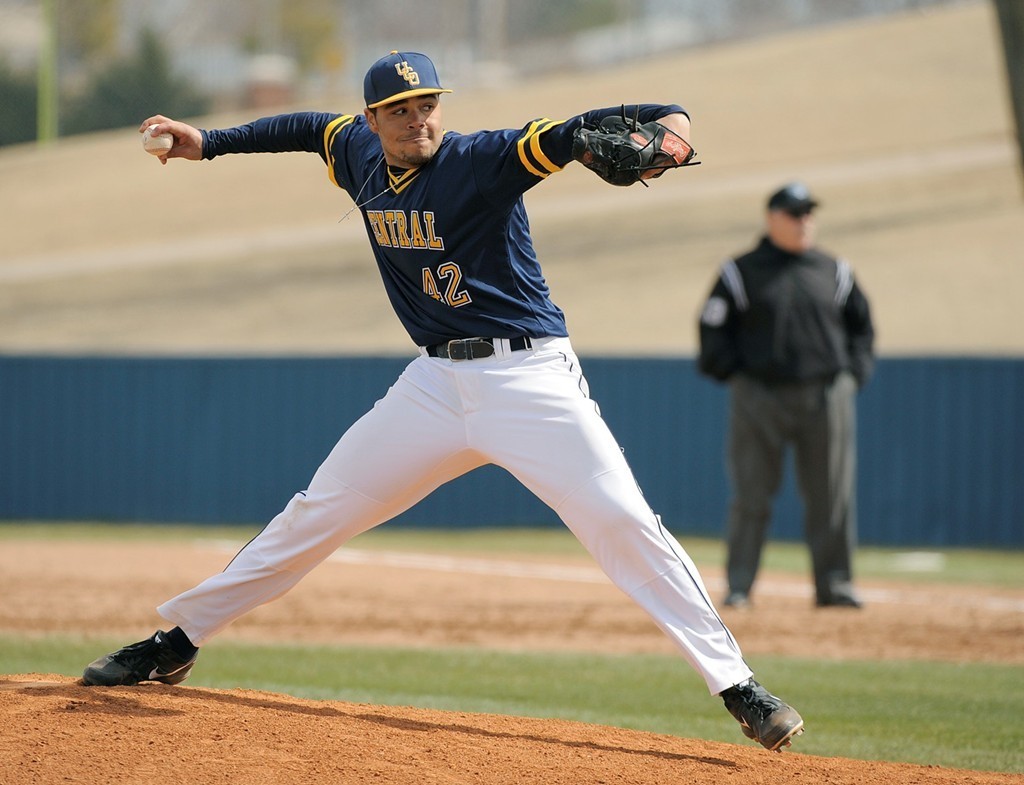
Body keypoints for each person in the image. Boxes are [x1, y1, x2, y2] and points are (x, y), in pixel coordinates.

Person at [81, 51, 804, 752]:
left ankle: (738, 686)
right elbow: (303, 127)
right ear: (372, 119)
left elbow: (575, 130)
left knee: (623, 521)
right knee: (316, 511)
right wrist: (209, 142)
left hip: (528, 378)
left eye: (427, 104)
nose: (417, 119)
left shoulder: (481, 159)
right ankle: (178, 640)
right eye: (399, 110)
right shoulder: (356, 152)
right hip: (432, 386)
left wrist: (672, 119)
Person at [697, 182, 875, 610]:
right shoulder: (740, 271)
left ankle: (835, 586)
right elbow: (712, 326)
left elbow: (862, 328)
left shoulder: (834, 270)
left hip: (825, 394)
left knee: (831, 496)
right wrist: (734, 373)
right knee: (751, 496)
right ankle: (739, 586)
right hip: (759, 396)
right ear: (772, 218)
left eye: (809, 213)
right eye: (795, 213)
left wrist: (852, 376)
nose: (804, 221)